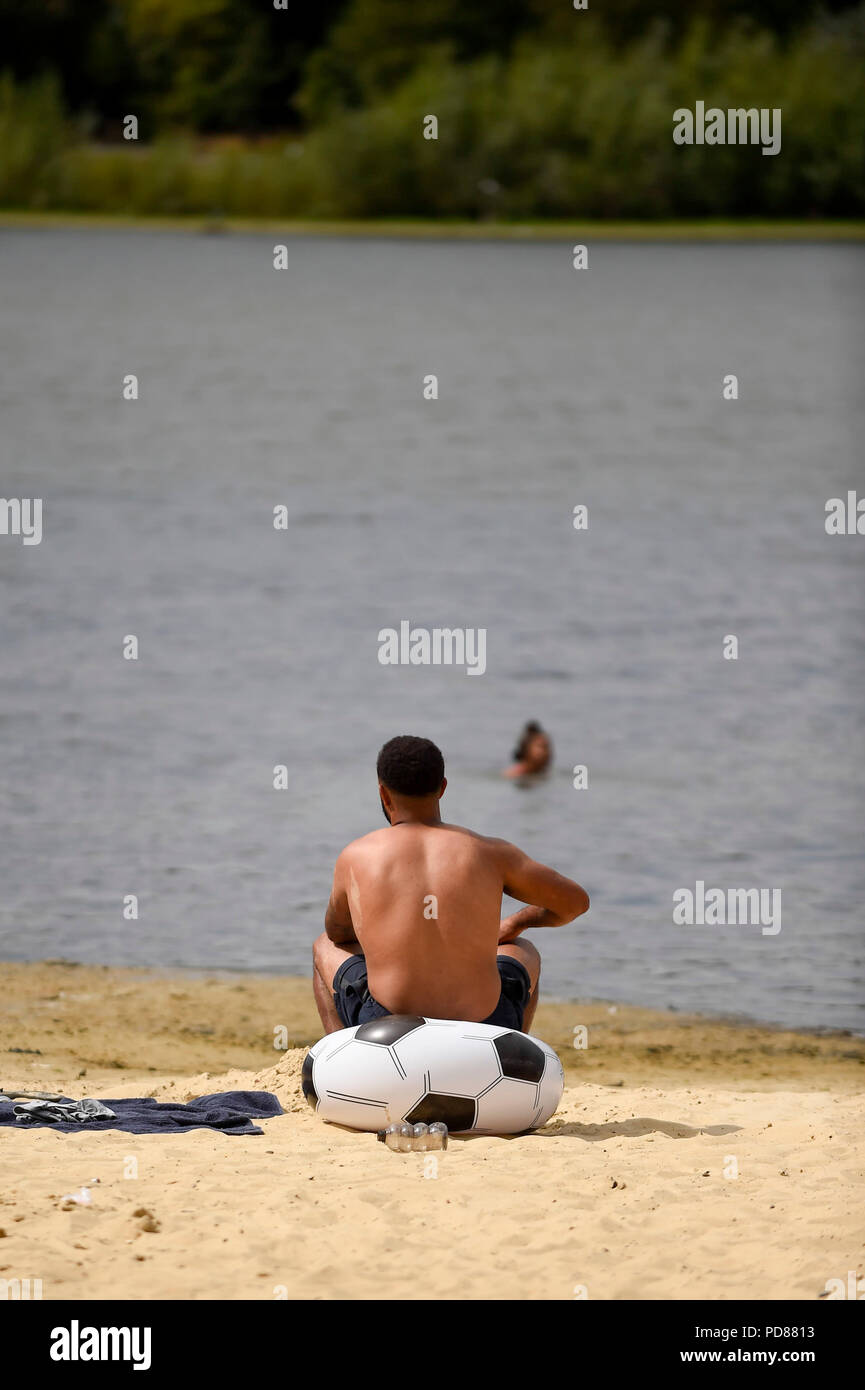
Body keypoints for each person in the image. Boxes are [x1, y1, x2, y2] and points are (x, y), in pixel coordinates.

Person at [312, 735, 588, 1035]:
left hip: (386, 1022)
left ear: (383, 792)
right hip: (485, 1024)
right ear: (442, 788)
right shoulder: (491, 852)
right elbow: (575, 904)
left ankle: (340, 1058)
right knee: (523, 951)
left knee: (323, 947)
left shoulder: (356, 855)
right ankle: (512, 1054)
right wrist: (515, 922)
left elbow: (337, 933)